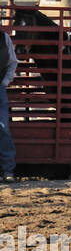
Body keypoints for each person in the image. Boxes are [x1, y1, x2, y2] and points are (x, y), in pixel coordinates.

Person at [0, 25, 17, 182]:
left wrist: (4, 82)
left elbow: (12, 62)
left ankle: (7, 170)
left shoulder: (4, 38)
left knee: (3, 128)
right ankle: (7, 170)